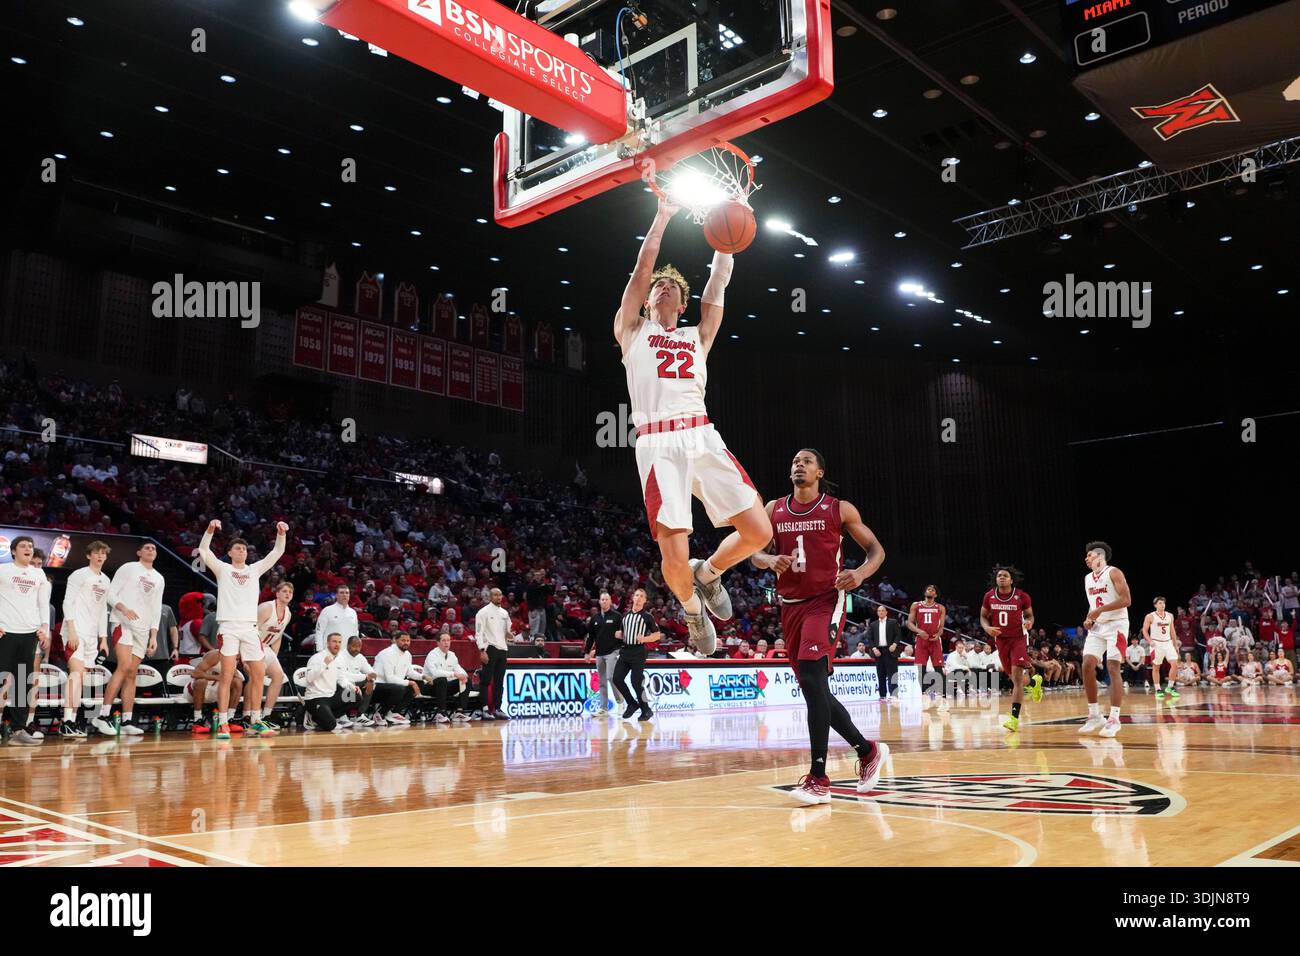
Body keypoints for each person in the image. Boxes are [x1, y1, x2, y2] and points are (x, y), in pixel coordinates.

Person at [614, 196, 773, 656]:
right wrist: (663, 215)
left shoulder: (696, 336)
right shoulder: (632, 330)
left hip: (702, 433)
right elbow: (641, 269)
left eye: (672, 287)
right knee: (673, 555)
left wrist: (726, 242)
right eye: (658, 286)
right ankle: (691, 607)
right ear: (647, 299)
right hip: (658, 444)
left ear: (683, 302)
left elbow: (718, 285)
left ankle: (709, 574)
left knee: (760, 532)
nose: (662, 288)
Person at [749, 448, 889, 805]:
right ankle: (867, 750)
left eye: (807, 461)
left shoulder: (839, 509)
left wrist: (858, 574)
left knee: (813, 680)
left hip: (826, 600)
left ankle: (819, 776)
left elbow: (876, 551)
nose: (799, 464)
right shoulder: (773, 510)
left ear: (820, 472)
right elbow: (754, 552)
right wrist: (768, 559)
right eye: (795, 460)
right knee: (815, 690)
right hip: (791, 607)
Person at [195, 518, 287, 739]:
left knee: (258, 674)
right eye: (238, 548)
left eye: (245, 548)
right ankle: (224, 722)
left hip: (250, 628)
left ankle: (255, 720)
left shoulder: (254, 569)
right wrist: (209, 530)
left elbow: (276, 554)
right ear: (230, 552)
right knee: (227, 676)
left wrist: (281, 533)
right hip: (228, 627)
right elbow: (203, 550)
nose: (242, 551)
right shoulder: (223, 568)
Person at [92, 541, 165, 737]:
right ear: (139, 552)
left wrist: (154, 635)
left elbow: (157, 608)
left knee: (132, 673)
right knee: (123, 666)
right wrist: (124, 608)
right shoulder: (128, 568)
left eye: (154, 548)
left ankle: (126, 720)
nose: (151, 550)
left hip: (143, 629)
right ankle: (103, 716)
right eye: (147, 548)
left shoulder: (159, 578)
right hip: (122, 622)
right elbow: (110, 593)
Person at [0, 536, 52, 745]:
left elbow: (43, 604)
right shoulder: (3, 570)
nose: (28, 549)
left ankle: (18, 729)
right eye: (23, 546)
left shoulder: (39, 573)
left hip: (29, 634)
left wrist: (44, 628)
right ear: (13, 551)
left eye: (30, 546)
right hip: (6, 632)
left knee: (23, 683)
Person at [59, 540, 112, 738]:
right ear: (89, 555)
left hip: (91, 637)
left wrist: (104, 638)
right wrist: (71, 630)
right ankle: (66, 722)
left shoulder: (106, 581)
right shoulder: (79, 575)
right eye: (96, 553)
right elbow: (67, 602)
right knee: (75, 674)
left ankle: (72, 721)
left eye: (103, 553)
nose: (100, 556)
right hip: (75, 631)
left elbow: (101, 612)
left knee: (81, 678)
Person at [980, 565, 1042, 733]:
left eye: (1005, 576)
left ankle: (1014, 718)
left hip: (1018, 638)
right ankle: (1035, 681)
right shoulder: (989, 596)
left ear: (1011, 580)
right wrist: (986, 628)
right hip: (1000, 640)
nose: (1001, 577)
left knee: (1016, 677)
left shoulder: (1021, 596)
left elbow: (1030, 615)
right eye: (999, 575)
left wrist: (1029, 622)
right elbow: (983, 617)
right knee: (1016, 680)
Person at [1079, 541, 1130, 737]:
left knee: (1112, 667)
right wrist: (1088, 619)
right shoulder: (1087, 579)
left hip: (1117, 624)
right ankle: (1094, 715)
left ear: (1100, 556)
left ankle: (1114, 719)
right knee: (1087, 665)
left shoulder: (1114, 572)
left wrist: (1100, 610)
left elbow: (1126, 600)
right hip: (1098, 627)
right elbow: (1093, 605)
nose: (1087, 558)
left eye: (1090, 555)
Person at [613, 587, 659, 721]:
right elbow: (623, 633)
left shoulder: (647, 616)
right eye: (636, 595)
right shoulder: (626, 616)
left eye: (641, 596)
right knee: (617, 678)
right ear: (633, 598)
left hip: (639, 651)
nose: (638, 598)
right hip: (626, 650)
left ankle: (646, 710)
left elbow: (657, 635)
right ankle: (632, 704)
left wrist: (644, 639)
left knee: (636, 682)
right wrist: (619, 635)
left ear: (645, 601)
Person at [255, 581, 293, 731]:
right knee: (255, 680)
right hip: (252, 645)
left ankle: (266, 715)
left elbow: (278, 636)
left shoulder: (288, 613)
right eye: (284, 591)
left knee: (278, 676)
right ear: (277, 594)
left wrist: (274, 657)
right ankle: (251, 716)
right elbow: (251, 628)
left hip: (265, 648)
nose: (287, 594)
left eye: (290, 592)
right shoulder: (266, 607)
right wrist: (256, 651)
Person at [583, 590, 624, 718]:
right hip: (599, 653)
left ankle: (620, 701)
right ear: (599, 602)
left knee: (611, 677)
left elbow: (624, 634)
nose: (604, 601)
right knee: (601, 681)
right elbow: (591, 637)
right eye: (602, 599)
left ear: (611, 602)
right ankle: (603, 708)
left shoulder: (617, 616)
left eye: (607, 599)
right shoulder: (594, 619)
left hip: (613, 651)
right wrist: (587, 652)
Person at [185, 648, 245, 734]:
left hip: (216, 690)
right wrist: (217, 677)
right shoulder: (216, 655)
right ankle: (197, 720)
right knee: (201, 682)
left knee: (237, 682)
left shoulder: (236, 659)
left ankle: (229, 719)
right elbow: (195, 673)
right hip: (196, 690)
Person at [473, 587, 511, 720]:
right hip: (490, 648)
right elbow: (478, 633)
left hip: (503, 649)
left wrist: (510, 634)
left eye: (500, 595)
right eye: (495, 595)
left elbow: (508, 632)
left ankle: (498, 708)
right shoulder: (483, 612)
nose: (498, 597)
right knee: (486, 680)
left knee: (499, 681)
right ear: (490, 597)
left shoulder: (505, 613)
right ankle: (484, 709)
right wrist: (482, 650)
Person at [906, 585, 947, 708]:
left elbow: (941, 627)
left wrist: (938, 634)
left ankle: (942, 694)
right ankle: (924, 693)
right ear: (924, 592)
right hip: (921, 640)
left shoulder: (940, 607)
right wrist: (919, 631)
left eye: (933, 590)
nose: (930, 590)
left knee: (938, 668)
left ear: (936, 595)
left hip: (934, 640)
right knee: (921, 668)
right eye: (928, 589)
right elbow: (909, 623)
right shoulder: (916, 605)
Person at [302, 632, 351, 733]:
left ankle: (326, 716)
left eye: (339, 642)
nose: (337, 644)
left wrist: (352, 687)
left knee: (355, 696)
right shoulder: (317, 657)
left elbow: (341, 679)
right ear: (328, 643)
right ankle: (314, 715)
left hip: (331, 697)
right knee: (331, 726)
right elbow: (309, 678)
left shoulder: (339, 659)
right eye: (334, 641)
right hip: (316, 697)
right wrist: (324, 664)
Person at [371, 631, 423, 725]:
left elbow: (409, 672)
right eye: (403, 640)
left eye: (408, 640)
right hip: (377, 686)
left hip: (393, 687)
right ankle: (380, 713)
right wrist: (411, 683)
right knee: (400, 688)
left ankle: (393, 712)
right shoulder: (387, 653)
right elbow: (389, 678)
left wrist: (423, 677)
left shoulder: (407, 655)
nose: (406, 643)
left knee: (417, 685)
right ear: (396, 640)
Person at [423, 632, 471, 723]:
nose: (446, 643)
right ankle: (441, 713)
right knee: (441, 679)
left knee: (466, 680)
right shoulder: (432, 655)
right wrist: (454, 674)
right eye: (443, 640)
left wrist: (463, 675)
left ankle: (459, 712)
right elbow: (435, 673)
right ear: (438, 642)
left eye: (448, 640)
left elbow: (458, 668)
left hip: (445, 687)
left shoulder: (452, 655)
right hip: (430, 686)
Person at [864, 604, 901, 700]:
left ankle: (894, 695)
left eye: (882, 610)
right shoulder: (873, 624)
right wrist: (874, 649)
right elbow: (870, 638)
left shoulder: (893, 622)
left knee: (892, 674)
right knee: (880, 674)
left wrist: (894, 645)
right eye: (879, 611)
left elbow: (898, 635)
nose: (881, 612)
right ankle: (882, 695)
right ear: (877, 613)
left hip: (890, 651)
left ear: (886, 612)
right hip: (878, 652)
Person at [340, 635, 378, 726]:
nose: (357, 649)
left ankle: (359, 715)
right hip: (340, 683)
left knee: (370, 683)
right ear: (348, 645)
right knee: (350, 684)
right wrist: (365, 677)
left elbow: (372, 673)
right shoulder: (340, 656)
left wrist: (370, 680)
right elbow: (344, 676)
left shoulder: (360, 657)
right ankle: (341, 715)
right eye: (354, 646)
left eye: (359, 647)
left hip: (354, 683)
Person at [312, 585, 358, 652]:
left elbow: (355, 633)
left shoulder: (353, 613)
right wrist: (320, 650)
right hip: (329, 652)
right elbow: (319, 631)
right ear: (336, 595)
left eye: (347, 593)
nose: (344, 595)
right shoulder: (327, 610)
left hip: (347, 653)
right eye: (342, 593)